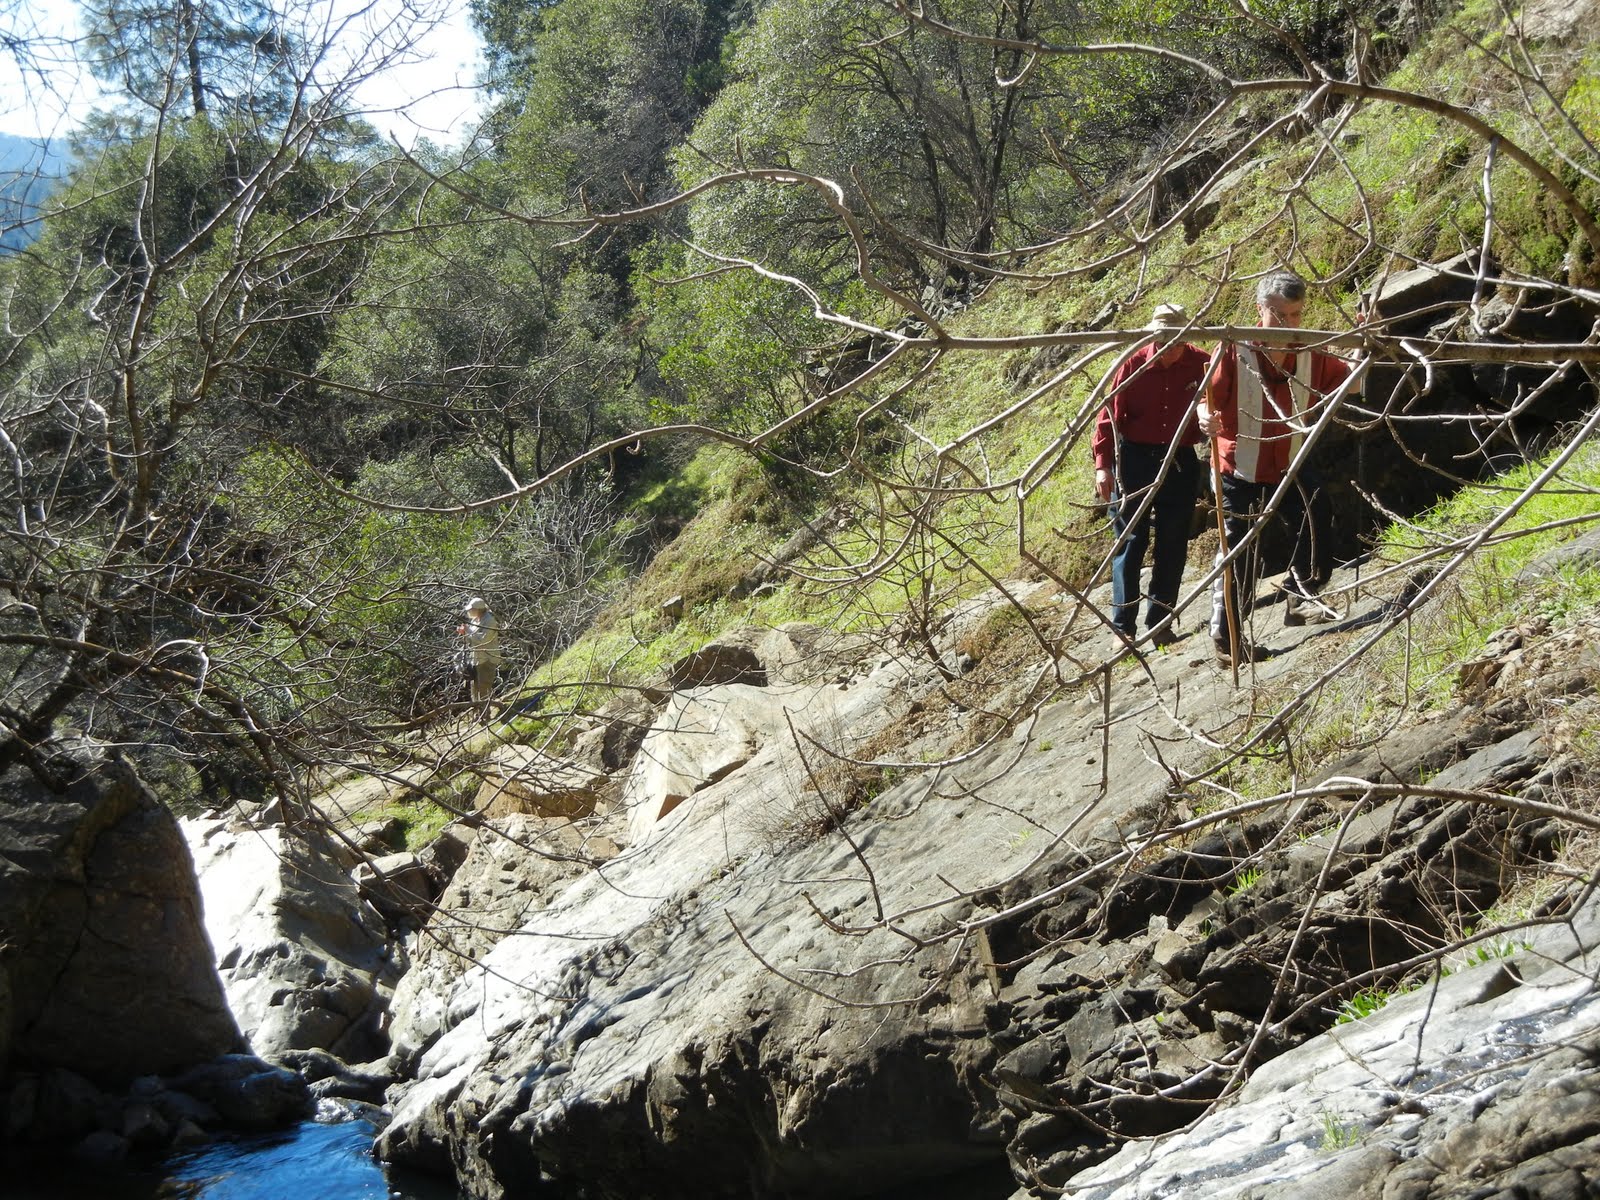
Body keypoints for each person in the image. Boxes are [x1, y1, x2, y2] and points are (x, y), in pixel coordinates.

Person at [1198, 271, 1354, 667]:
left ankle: (1302, 597)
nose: (1289, 325)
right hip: (1239, 464)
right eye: (1279, 315)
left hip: (1290, 459)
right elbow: (1206, 397)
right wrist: (1206, 418)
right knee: (1240, 549)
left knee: (1316, 517)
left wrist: (1361, 344)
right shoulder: (1233, 349)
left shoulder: (1310, 350)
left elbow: (1346, 381)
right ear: (1260, 311)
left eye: (1296, 315)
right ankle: (1227, 634)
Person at [1092, 301, 1210, 648]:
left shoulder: (1201, 362)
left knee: (1173, 541)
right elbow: (1109, 417)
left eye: (1174, 341)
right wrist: (1103, 465)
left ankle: (1161, 622)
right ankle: (1123, 627)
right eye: (1161, 340)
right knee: (1131, 540)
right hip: (1135, 459)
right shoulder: (1132, 363)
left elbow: (1215, 401)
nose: (1167, 349)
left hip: (1180, 459)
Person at [457, 597, 501, 705]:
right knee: (474, 687)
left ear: (478, 609)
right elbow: (472, 640)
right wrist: (464, 633)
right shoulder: (475, 620)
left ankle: (485, 714)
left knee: (484, 687)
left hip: (487, 658)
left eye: (471, 609)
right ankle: (480, 710)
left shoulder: (490, 621)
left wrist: (468, 630)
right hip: (476, 659)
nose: (469, 612)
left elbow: (483, 640)